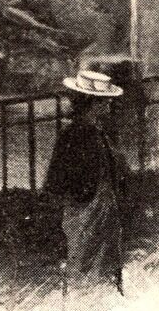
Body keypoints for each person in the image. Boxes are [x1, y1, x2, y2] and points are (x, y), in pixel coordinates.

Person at [43, 70, 126, 293]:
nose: (109, 106)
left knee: (106, 256)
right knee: (84, 257)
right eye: (105, 102)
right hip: (82, 207)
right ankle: (84, 302)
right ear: (93, 104)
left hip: (103, 205)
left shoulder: (98, 132)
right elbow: (56, 179)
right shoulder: (73, 135)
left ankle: (107, 297)